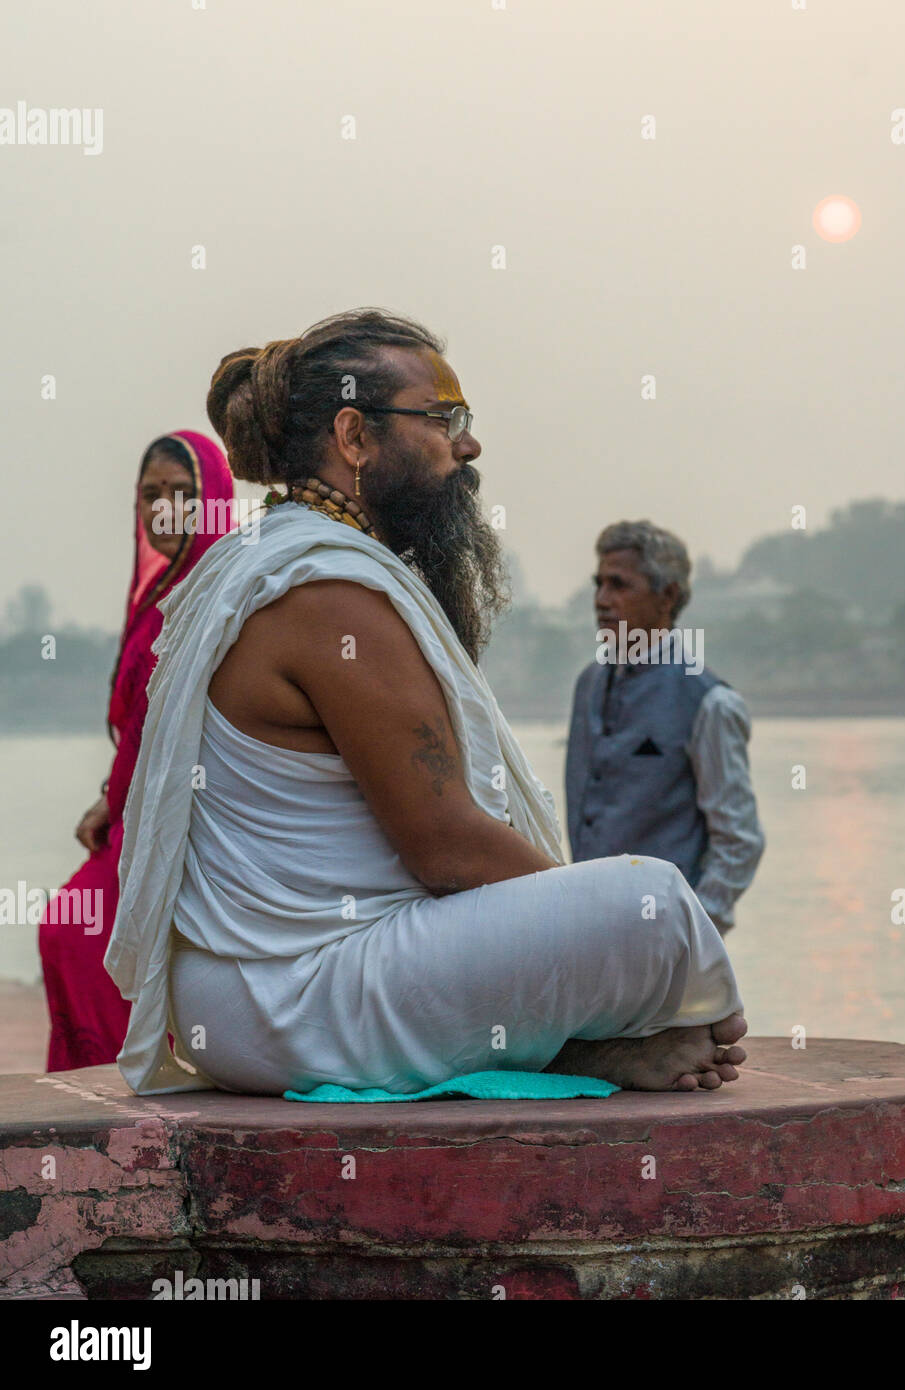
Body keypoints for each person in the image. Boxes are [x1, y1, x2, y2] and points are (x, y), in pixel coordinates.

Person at [104, 309, 747, 1098]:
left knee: (623, 909)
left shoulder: (281, 559)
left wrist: (567, 938)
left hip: (256, 999)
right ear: (355, 436)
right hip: (293, 998)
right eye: (445, 420)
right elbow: (446, 848)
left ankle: (568, 1047)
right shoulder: (329, 593)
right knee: (651, 905)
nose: (468, 445)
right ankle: (595, 1037)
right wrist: (588, 941)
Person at [39, 431, 236, 1071]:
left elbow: (156, 730)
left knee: (75, 929)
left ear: (213, 503)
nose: (163, 509)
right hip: (139, 811)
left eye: (182, 494)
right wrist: (111, 801)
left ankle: (117, 1078)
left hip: (179, 816)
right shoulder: (160, 599)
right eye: (150, 495)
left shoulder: (206, 601)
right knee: (72, 930)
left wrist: (109, 803)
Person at [565, 522, 764, 935]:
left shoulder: (708, 701)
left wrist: (694, 933)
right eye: (598, 584)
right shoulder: (588, 684)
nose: (602, 600)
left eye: (619, 585)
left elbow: (739, 839)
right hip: (586, 935)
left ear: (667, 596)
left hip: (663, 943)